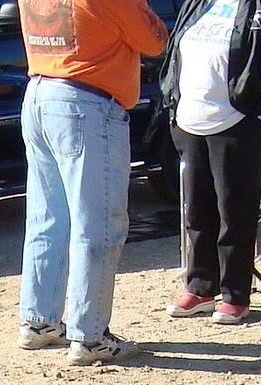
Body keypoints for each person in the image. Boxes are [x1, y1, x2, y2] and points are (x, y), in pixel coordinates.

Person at [16, 0, 167, 366]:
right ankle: (91, 337)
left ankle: (39, 321)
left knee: (47, 220)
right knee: (98, 226)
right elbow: (155, 40)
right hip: (86, 104)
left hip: (40, 94)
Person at [159, 0, 261, 325]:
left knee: (234, 213)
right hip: (190, 123)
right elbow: (173, 55)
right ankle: (200, 289)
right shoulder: (196, 4)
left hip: (237, 126)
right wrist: (172, 104)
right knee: (196, 211)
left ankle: (236, 296)